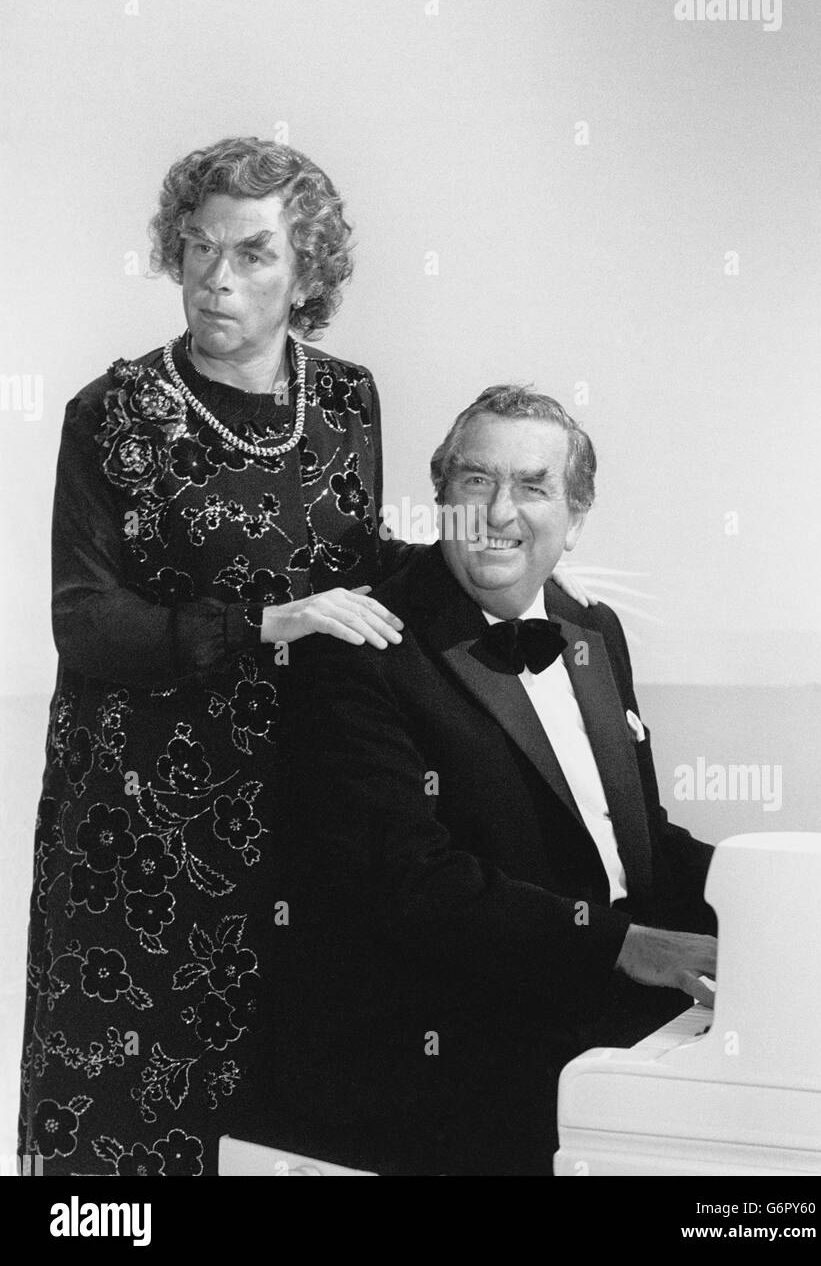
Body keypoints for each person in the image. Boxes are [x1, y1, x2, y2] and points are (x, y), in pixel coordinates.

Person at [18, 140, 592, 1177]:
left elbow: (352, 564)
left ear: (308, 273)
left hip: (298, 809)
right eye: (196, 250)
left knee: (277, 1120)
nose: (215, 279)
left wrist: (502, 561)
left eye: (250, 255)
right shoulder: (111, 417)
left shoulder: (344, 400)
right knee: (122, 1129)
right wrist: (265, 623)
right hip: (140, 835)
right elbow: (85, 624)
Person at [260, 385, 718, 1176]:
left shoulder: (594, 630)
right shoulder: (358, 647)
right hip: (457, 1068)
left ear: (574, 520)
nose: (499, 512)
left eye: (533, 486)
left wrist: (775, 889)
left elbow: (637, 837)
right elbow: (408, 882)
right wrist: (631, 948)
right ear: (440, 500)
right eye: (476, 481)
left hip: (619, 1031)